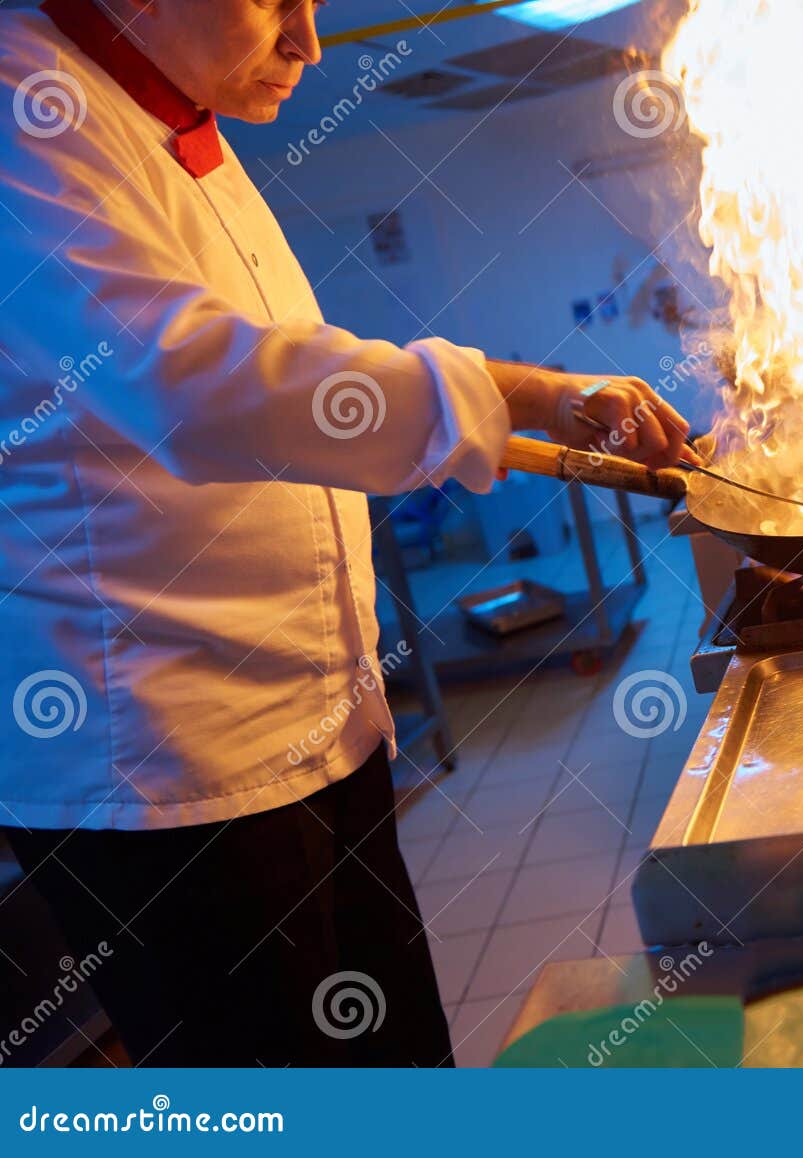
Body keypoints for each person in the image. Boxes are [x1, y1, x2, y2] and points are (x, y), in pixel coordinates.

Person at [0, 0, 693, 1066]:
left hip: (314, 717)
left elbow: (288, 353)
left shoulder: (183, 128)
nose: (309, 41)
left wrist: (510, 404)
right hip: (166, 761)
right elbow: (191, 382)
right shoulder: (22, 107)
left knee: (395, 1060)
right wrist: (523, 396)